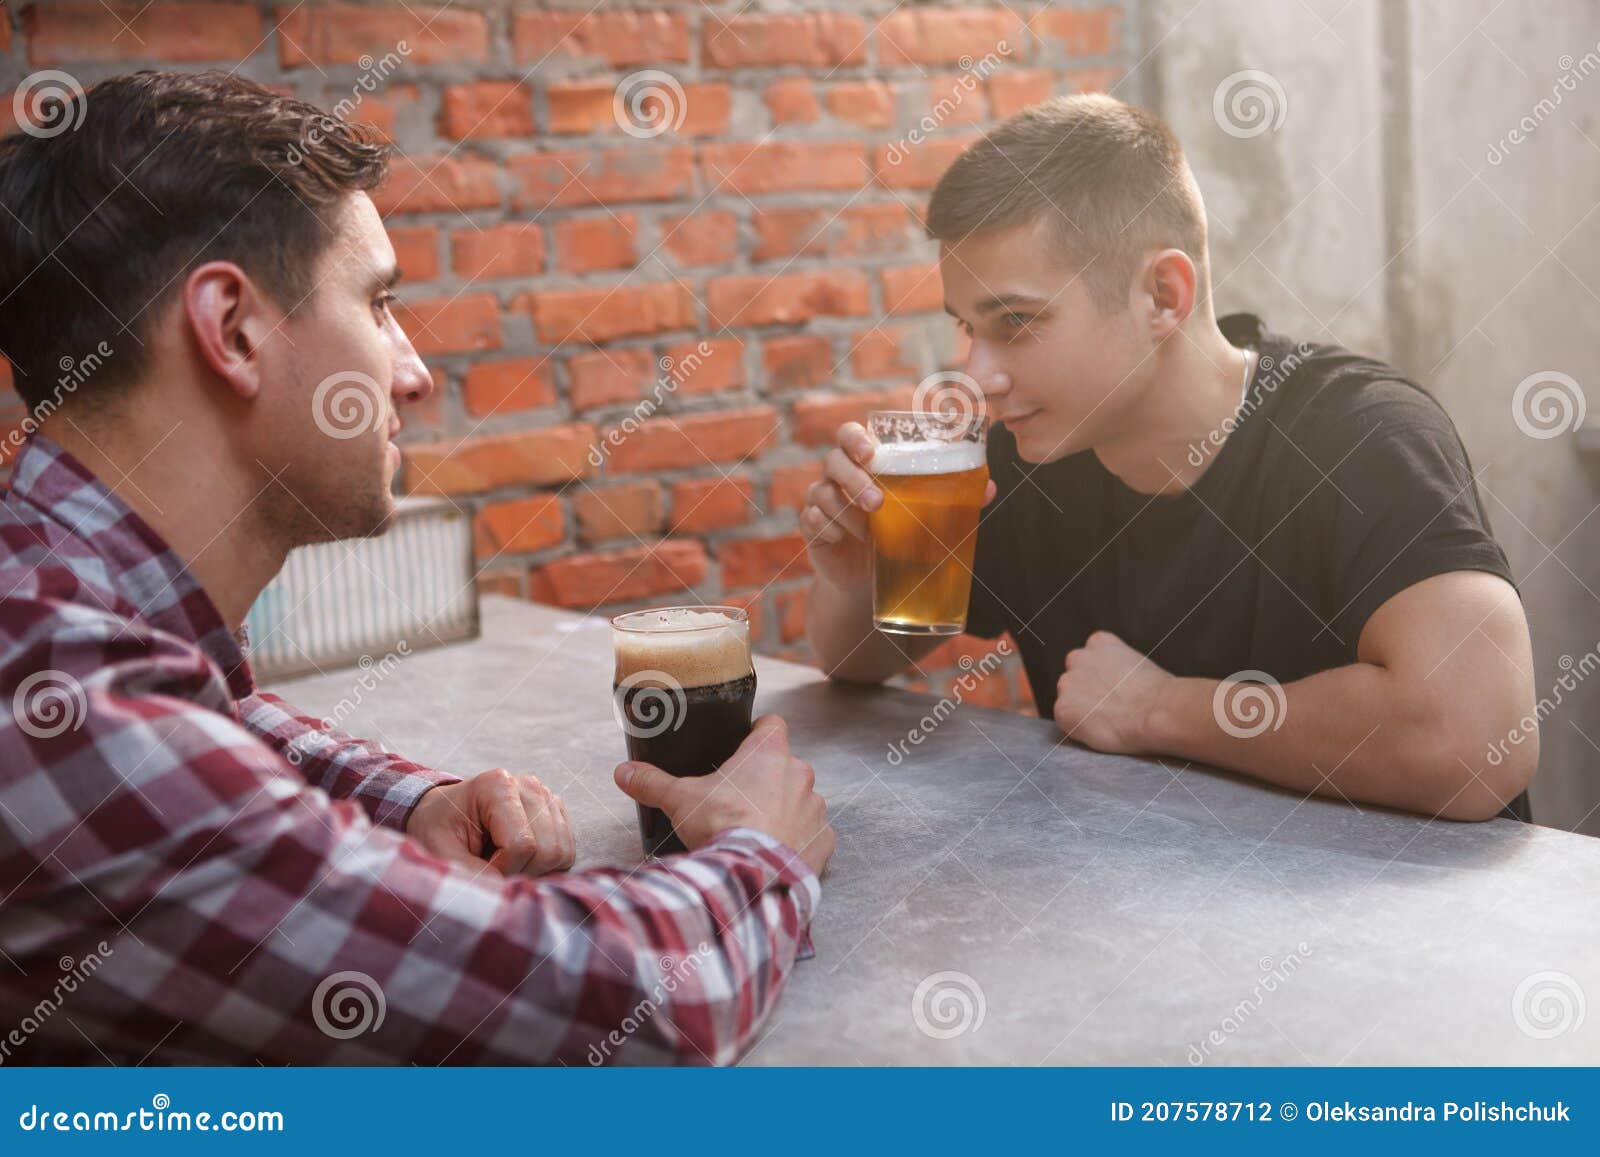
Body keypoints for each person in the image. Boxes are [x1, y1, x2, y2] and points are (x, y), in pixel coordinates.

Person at [0, 71, 832, 1065]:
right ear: (231, 328)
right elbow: (607, 1008)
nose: (415, 372)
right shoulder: (62, 699)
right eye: (379, 302)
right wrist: (760, 850)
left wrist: (408, 805)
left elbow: (210, 720)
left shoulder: (55, 595)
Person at [804, 94, 1537, 822]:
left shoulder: (1364, 437)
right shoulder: (1024, 463)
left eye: (1016, 321)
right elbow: (858, 661)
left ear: (1163, 294)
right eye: (968, 327)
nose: (978, 374)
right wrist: (859, 575)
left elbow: (1477, 741)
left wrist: (1161, 710)